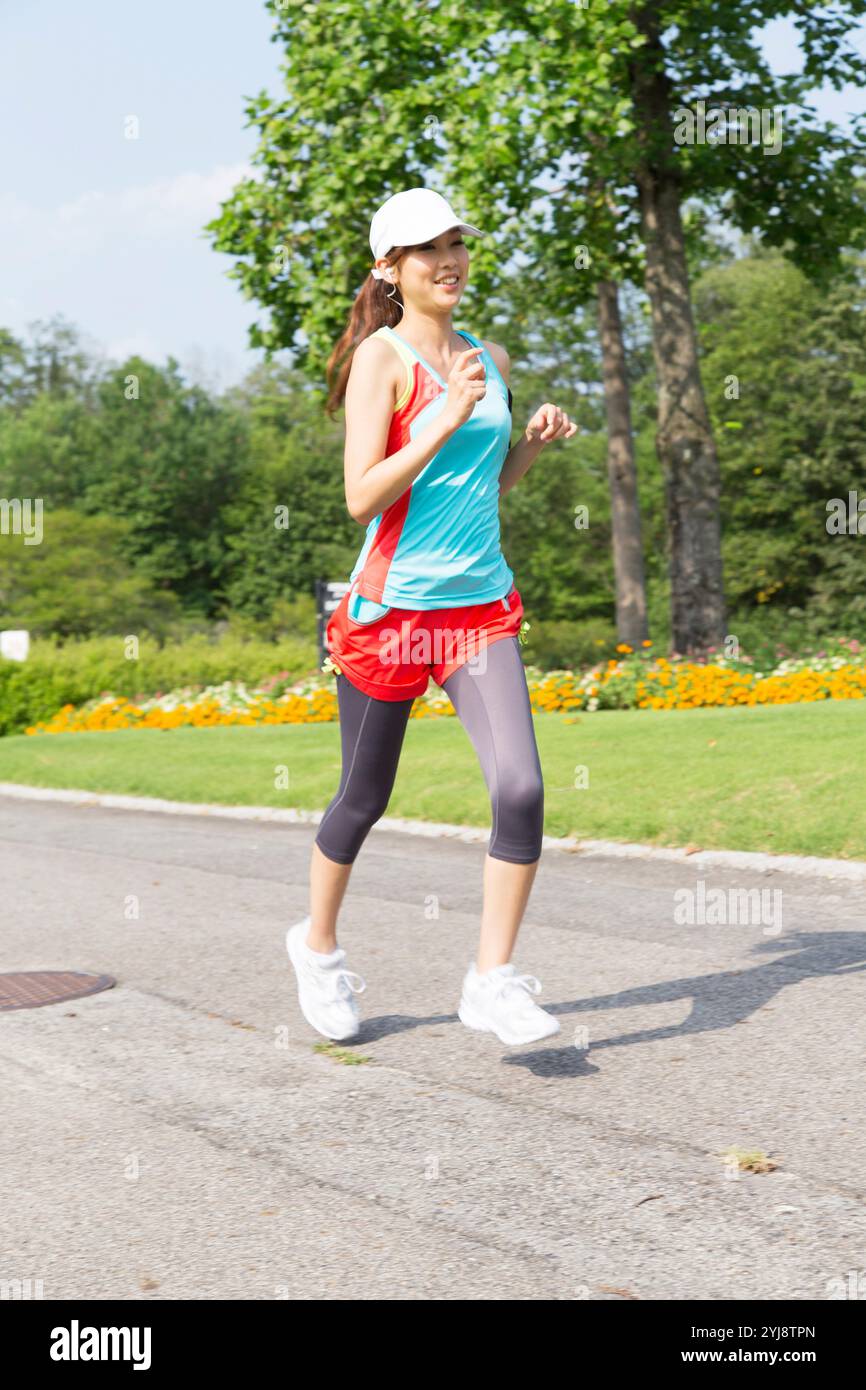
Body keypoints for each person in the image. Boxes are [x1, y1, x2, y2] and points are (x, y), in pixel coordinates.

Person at [286, 187, 577, 1047]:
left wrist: (526, 445)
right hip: (395, 612)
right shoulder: (383, 359)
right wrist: (445, 416)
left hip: (478, 607)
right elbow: (361, 496)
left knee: (520, 789)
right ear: (391, 269)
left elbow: (477, 491)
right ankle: (318, 948)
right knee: (363, 797)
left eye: (455, 243)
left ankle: (491, 980)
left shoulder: (488, 353)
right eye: (426, 250)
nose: (448, 260)